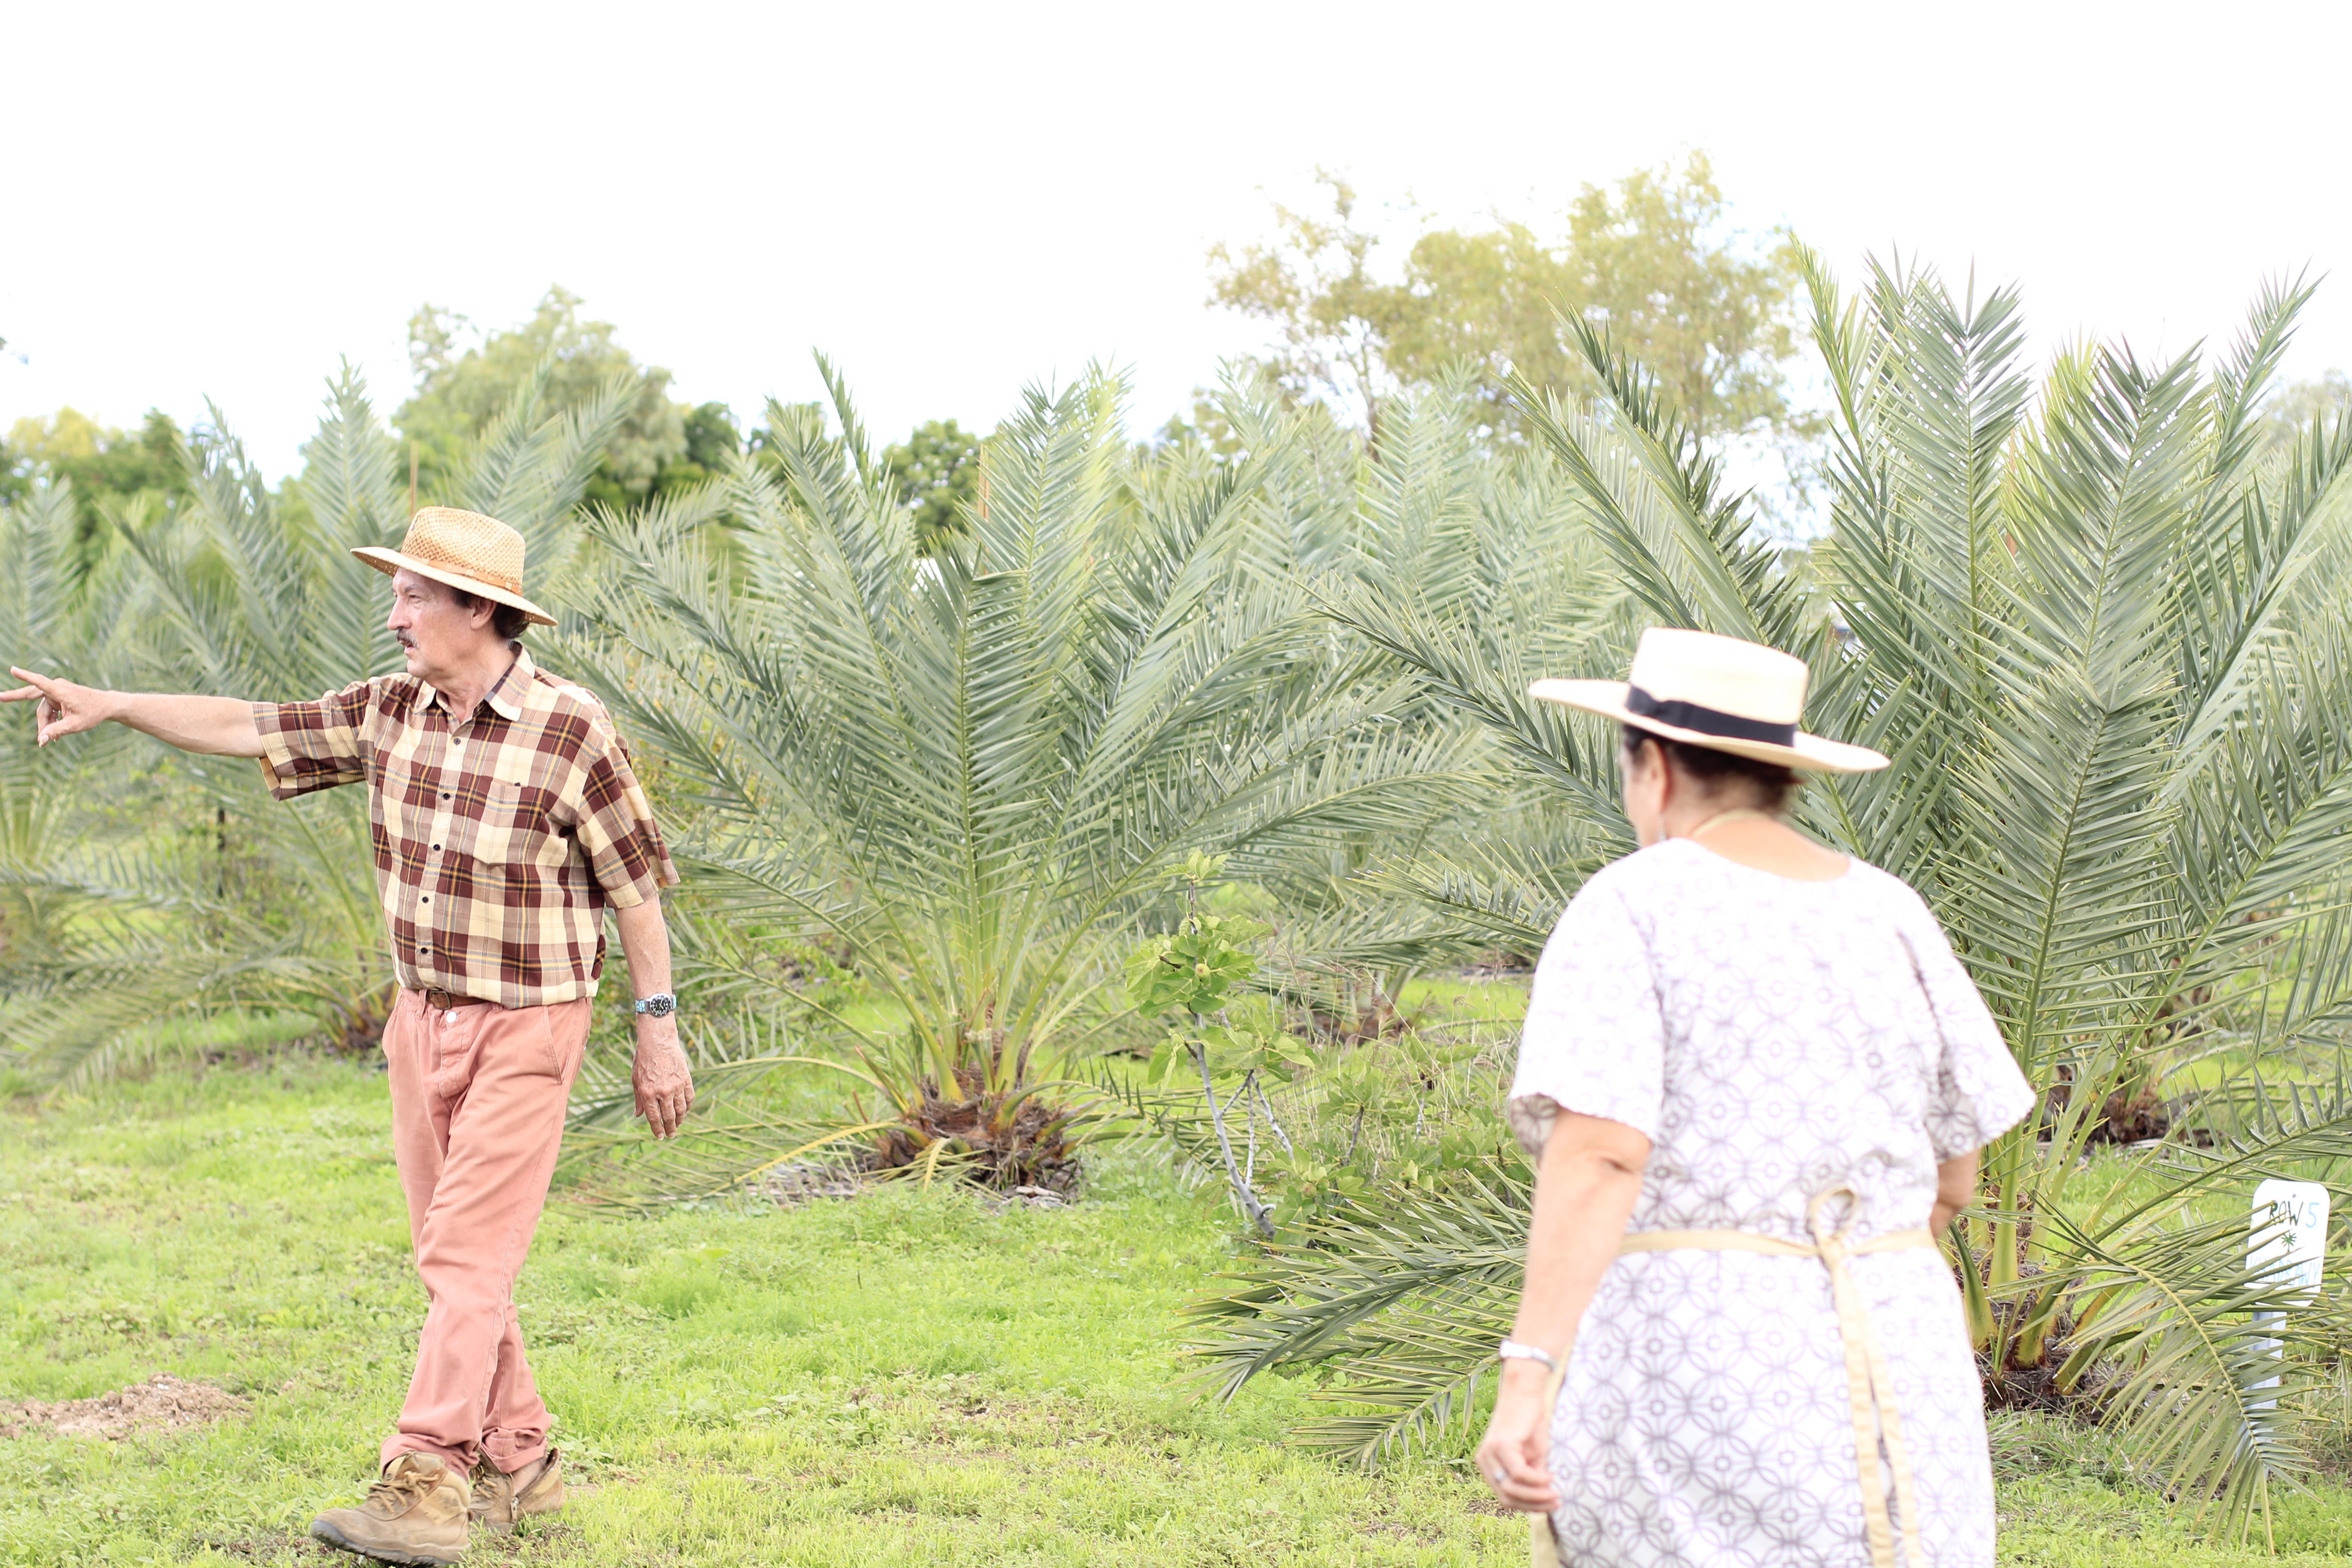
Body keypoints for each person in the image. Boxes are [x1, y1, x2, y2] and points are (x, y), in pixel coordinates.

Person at [5, 506, 697, 1568]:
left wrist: (658, 1030)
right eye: (398, 592)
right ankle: (524, 1465)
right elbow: (250, 725)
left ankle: (425, 1482)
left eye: (415, 595)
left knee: (466, 1255)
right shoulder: (390, 710)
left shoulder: (572, 729)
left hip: (530, 1025)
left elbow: (638, 894)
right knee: (457, 1260)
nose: (396, 613)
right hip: (420, 1022)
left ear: (481, 610)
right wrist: (115, 704)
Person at [1476, 627, 2034, 1568]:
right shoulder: (1892, 909)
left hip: (1701, 1356)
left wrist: (1527, 1376)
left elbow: (1603, 1150)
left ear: (1650, 766)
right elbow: (1956, 1173)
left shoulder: (1631, 904)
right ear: (1783, 775)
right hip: (1901, 1352)